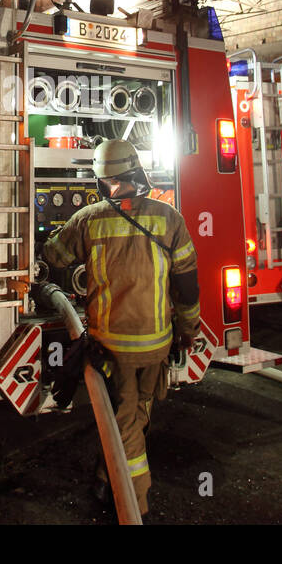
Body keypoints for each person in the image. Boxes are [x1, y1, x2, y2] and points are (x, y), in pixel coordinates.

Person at [41, 139, 200, 517]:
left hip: (114, 349)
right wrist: (188, 327)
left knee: (125, 421)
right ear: (137, 171)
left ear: (101, 179)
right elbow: (188, 284)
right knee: (135, 412)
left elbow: (55, 256)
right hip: (158, 344)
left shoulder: (89, 219)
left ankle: (135, 503)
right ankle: (103, 477)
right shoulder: (169, 218)